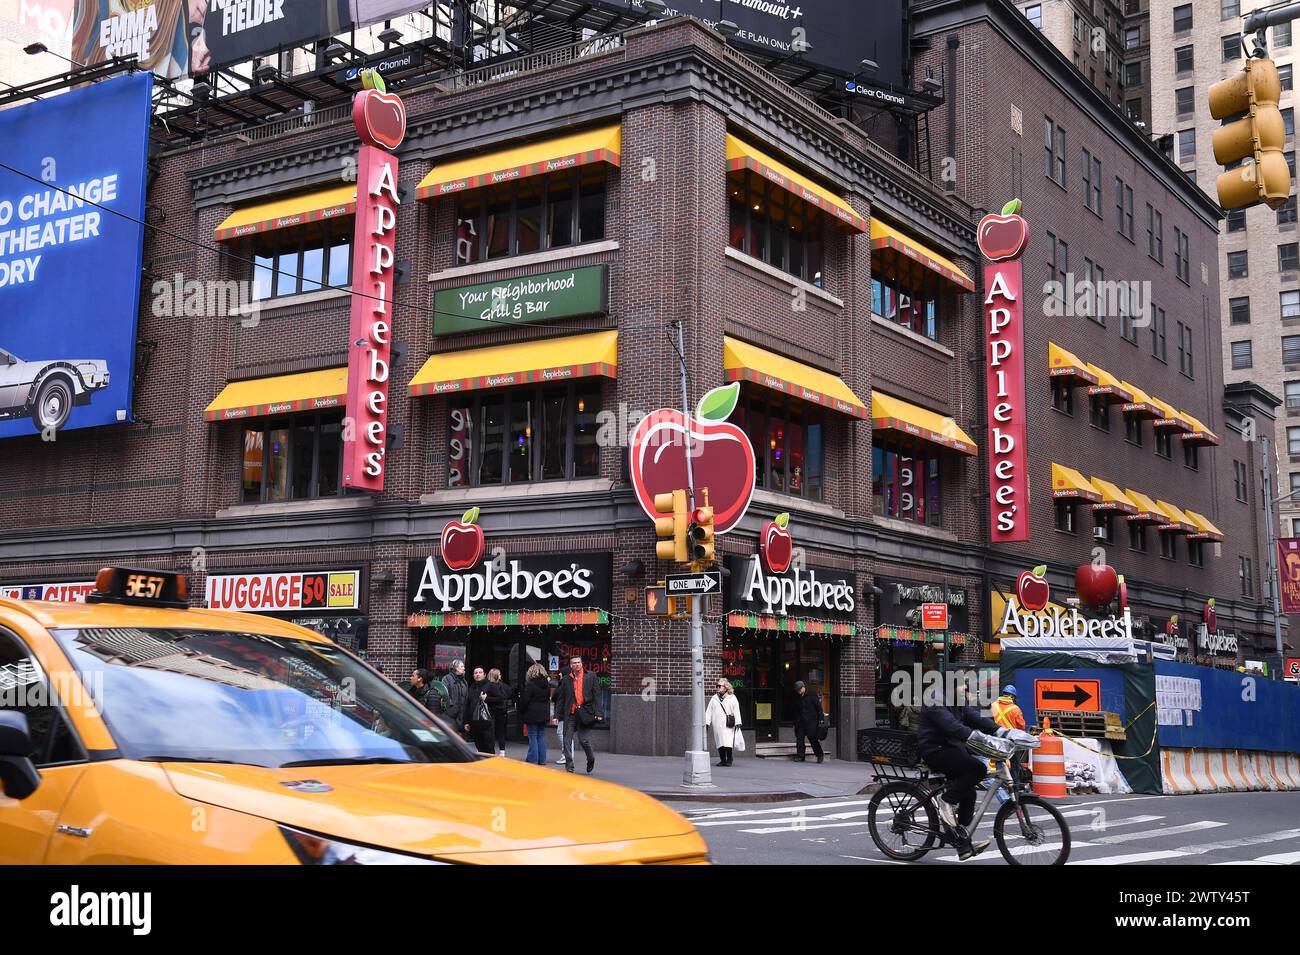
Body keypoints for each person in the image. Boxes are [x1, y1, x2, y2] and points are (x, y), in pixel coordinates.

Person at [917, 684, 1012, 860]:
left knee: (968, 793)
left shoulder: (956, 701)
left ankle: (961, 842)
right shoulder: (935, 699)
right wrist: (978, 737)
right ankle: (945, 801)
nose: (966, 691)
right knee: (978, 768)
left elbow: (976, 718)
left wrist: (1001, 731)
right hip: (935, 750)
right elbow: (951, 726)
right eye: (963, 686)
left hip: (952, 749)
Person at [555, 655, 602, 773]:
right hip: (570, 714)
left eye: (578, 662)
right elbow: (561, 699)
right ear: (570, 665)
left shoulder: (590, 676)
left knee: (583, 740)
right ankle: (569, 766)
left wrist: (599, 712)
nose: (576, 664)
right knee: (566, 740)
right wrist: (556, 715)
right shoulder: (566, 679)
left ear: (582, 663)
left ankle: (591, 759)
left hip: (585, 713)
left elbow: (596, 695)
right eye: (574, 663)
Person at [519, 662, 552, 766]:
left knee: (532, 736)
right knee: (541, 736)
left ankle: (533, 759)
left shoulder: (530, 685)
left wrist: (522, 710)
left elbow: (525, 700)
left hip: (532, 713)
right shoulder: (547, 685)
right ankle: (542, 760)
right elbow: (547, 699)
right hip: (544, 713)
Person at [705, 678, 743, 766]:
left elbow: (736, 711)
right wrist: (707, 723)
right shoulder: (714, 698)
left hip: (728, 724)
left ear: (726, 688)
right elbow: (708, 712)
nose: (717, 688)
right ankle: (723, 760)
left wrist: (738, 723)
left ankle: (729, 759)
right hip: (717, 724)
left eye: (719, 686)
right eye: (717, 686)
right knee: (719, 742)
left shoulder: (732, 698)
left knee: (727, 742)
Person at [461, 666, 497, 755]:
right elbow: (467, 705)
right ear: (473, 676)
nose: (478, 674)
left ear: (484, 675)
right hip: (475, 723)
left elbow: (500, 699)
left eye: (480, 672)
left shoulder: (490, 686)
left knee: (489, 747)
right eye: (475, 673)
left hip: (487, 723)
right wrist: (466, 722)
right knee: (479, 747)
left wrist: (487, 698)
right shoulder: (472, 687)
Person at [792, 681, 824, 763]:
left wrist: (821, 720)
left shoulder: (812, 694)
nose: (798, 692)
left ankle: (819, 754)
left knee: (812, 738)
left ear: (803, 687)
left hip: (812, 721)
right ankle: (800, 756)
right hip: (801, 722)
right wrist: (795, 722)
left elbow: (819, 708)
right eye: (797, 690)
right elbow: (796, 710)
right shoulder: (797, 697)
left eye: (799, 690)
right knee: (799, 739)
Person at [487, 668, 511, 757]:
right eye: (499, 674)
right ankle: (502, 751)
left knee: (491, 732)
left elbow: (486, 697)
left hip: (492, 711)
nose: (500, 676)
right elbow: (508, 694)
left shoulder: (489, 686)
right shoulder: (504, 686)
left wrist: (486, 699)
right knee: (501, 732)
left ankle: (491, 751)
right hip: (502, 711)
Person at [443, 660, 469, 735]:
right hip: (450, 715)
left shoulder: (464, 681)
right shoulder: (447, 679)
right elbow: (445, 695)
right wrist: (451, 707)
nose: (464, 668)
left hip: (461, 716)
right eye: (462, 666)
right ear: (456, 668)